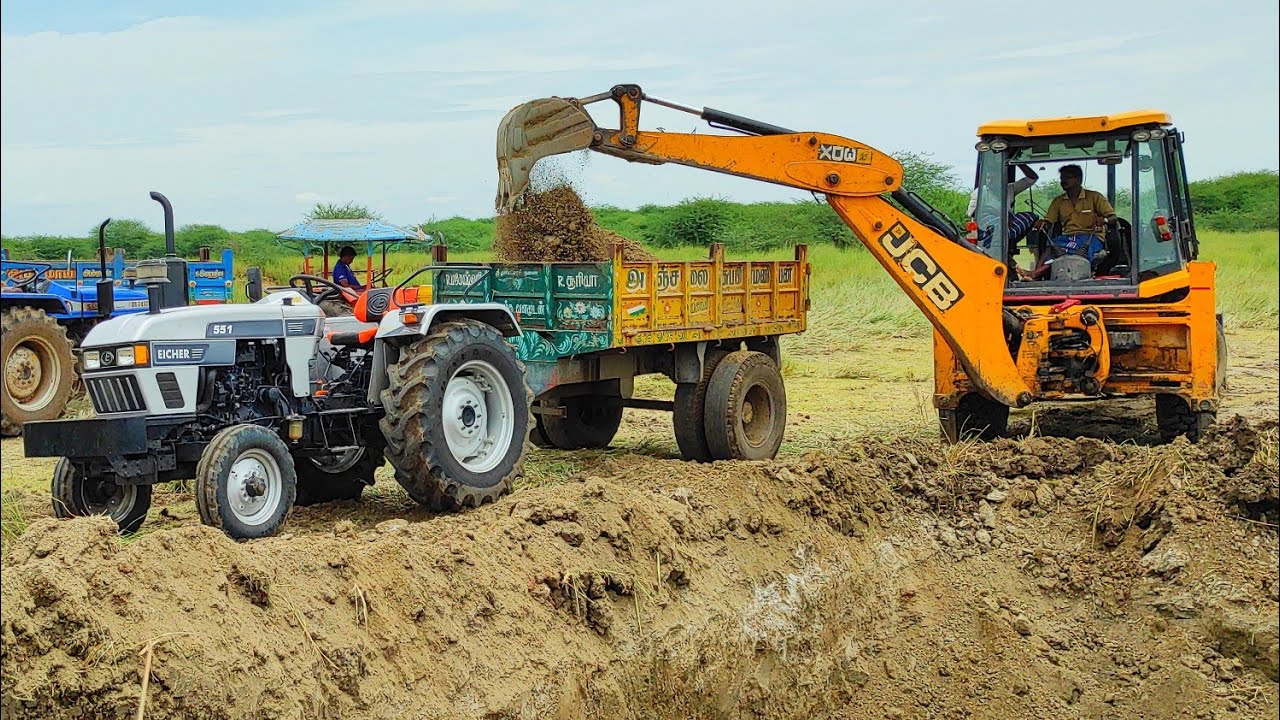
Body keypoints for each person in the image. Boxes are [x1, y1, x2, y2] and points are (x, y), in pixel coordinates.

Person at [1018, 164, 1117, 281]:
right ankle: (1036, 275)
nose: (1063, 181)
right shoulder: (1058, 201)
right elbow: (1049, 221)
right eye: (1061, 178)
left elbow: (1113, 218)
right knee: (1051, 247)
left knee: (1070, 249)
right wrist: (1042, 224)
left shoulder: (1095, 197)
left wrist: (1103, 220)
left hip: (1091, 237)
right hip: (1068, 237)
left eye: (1067, 178)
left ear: (1078, 179)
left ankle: (1034, 273)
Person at [967, 163, 1040, 249]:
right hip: (985, 231)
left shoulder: (1009, 189)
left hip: (1006, 228)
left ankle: (1009, 246)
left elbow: (1032, 178)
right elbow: (972, 212)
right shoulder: (979, 192)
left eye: (994, 178)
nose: (990, 181)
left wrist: (1019, 163)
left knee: (1030, 217)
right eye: (988, 178)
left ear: (1001, 178)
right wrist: (1001, 214)